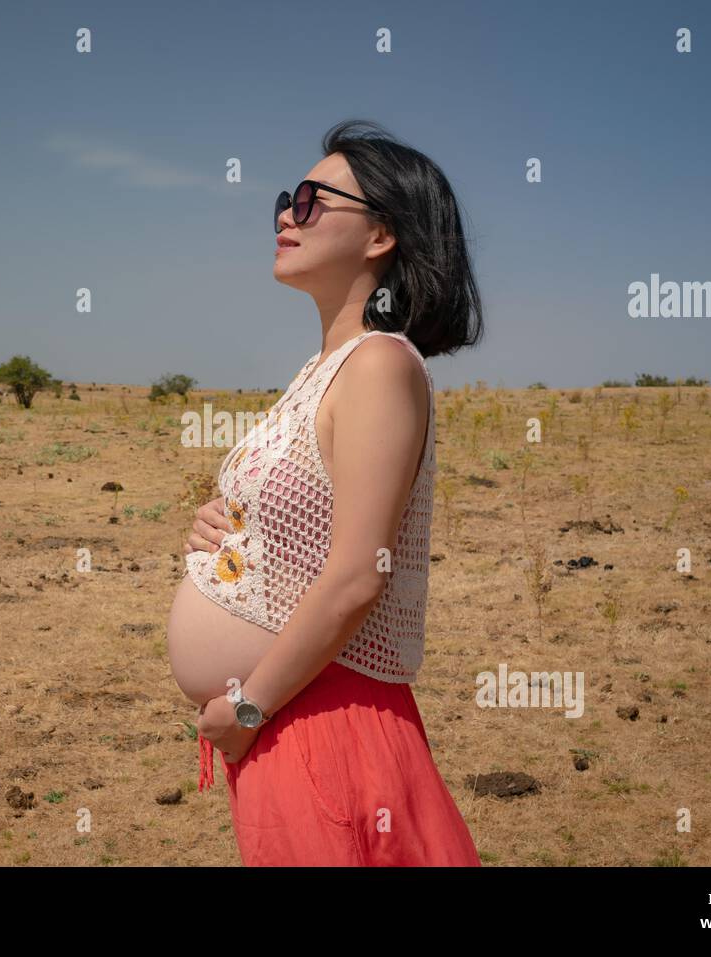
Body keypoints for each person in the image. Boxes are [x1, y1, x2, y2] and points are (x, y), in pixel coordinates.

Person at [181, 119, 485, 865]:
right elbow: (313, 529)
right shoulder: (322, 369)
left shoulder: (380, 366)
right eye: (288, 199)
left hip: (322, 718)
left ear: (381, 234)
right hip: (289, 713)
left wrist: (248, 707)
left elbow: (357, 577)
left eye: (313, 200)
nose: (287, 213)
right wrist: (221, 531)